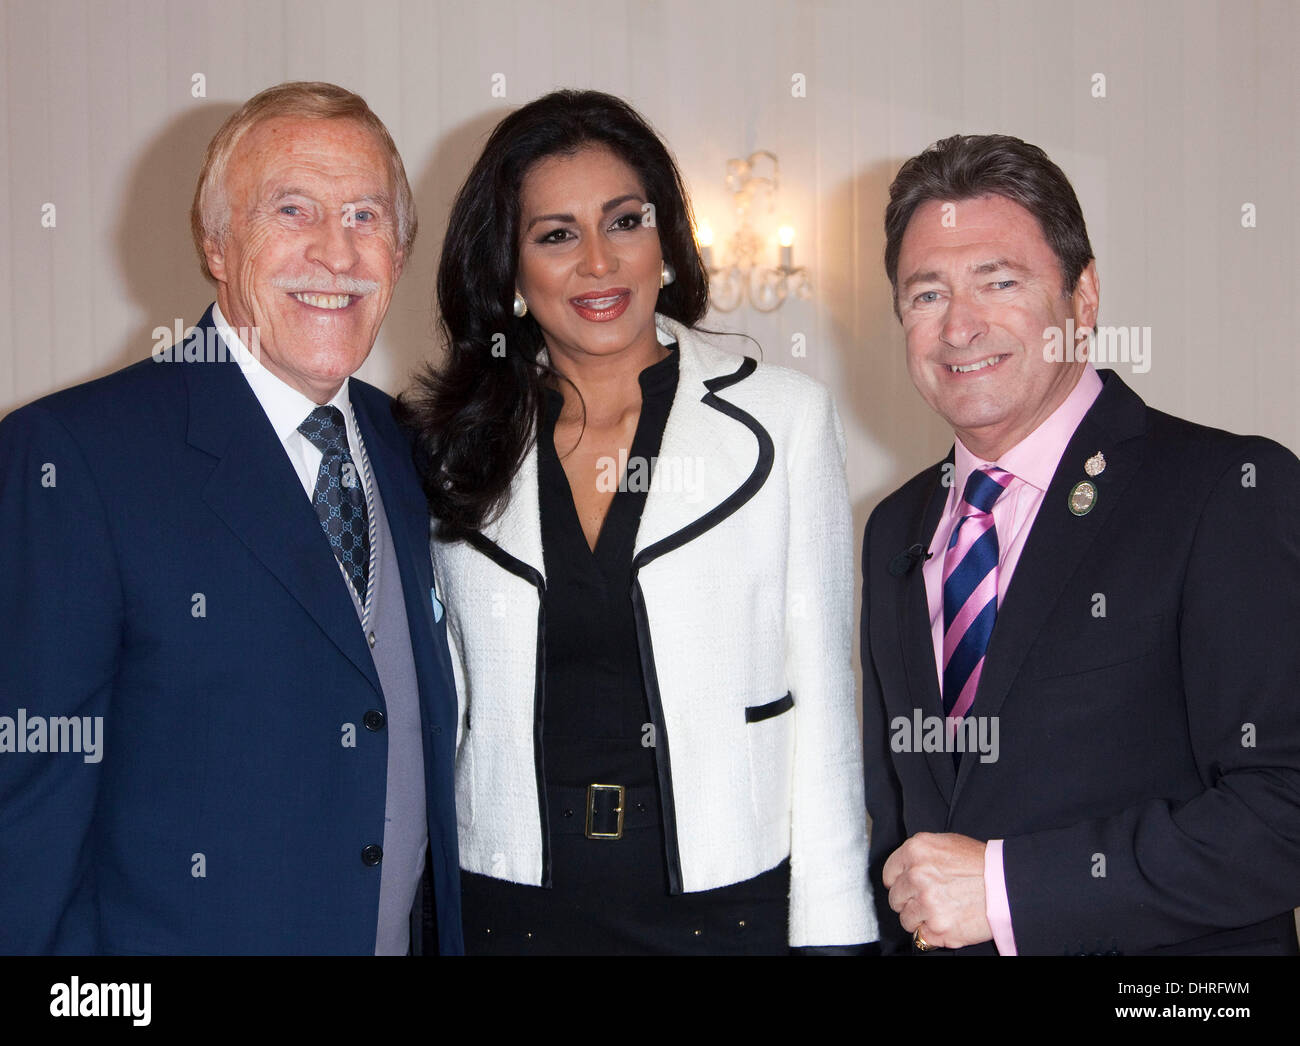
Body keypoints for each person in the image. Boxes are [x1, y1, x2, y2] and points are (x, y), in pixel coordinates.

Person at [400, 89, 873, 954]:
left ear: (664, 242)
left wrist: (835, 931)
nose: (597, 263)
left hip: (724, 906)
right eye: (555, 234)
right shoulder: (443, 440)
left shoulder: (784, 417)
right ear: (508, 271)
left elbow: (824, 697)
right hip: (510, 903)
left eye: (624, 221)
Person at [0, 81, 462, 955]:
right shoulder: (73, 457)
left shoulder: (412, 451)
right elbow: (22, 813)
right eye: (294, 209)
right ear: (216, 244)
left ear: (399, 251)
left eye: (366, 216)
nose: (337, 252)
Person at [860, 133, 1300, 956]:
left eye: (1000, 281)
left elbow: (1285, 805)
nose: (960, 326)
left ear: (1084, 297)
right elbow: (901, 824)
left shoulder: (1225, 490)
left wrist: (1005, 890)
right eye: (927, 294)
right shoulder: (896, 527)